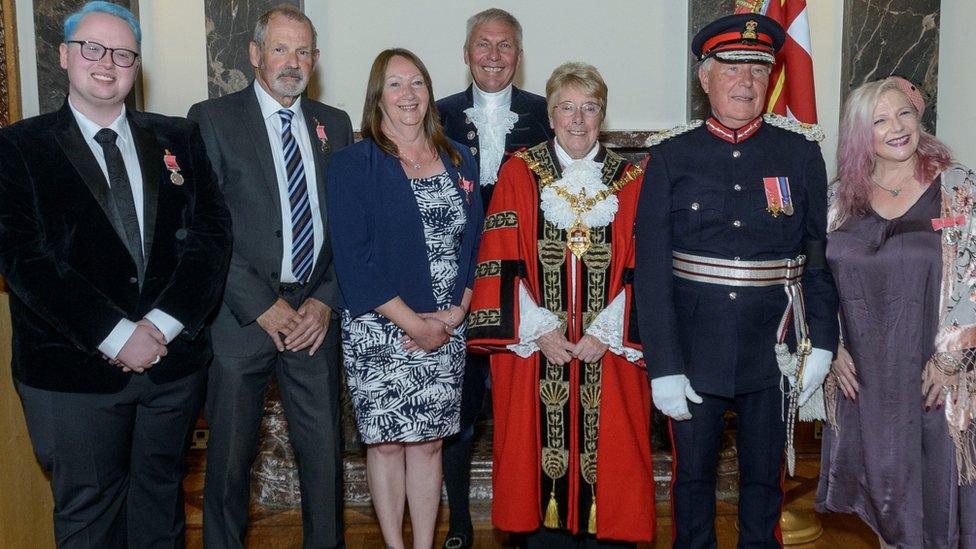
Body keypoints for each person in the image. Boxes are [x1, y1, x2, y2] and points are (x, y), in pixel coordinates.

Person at [0, 2, 232, 546]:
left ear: (136, 66)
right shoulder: (16, 147)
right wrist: (116, 333)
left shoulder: (180, 137)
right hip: (72, 377)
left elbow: (212, 238)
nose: (108, 63)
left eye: (123, 53)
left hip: (171, 369)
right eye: (93, 48)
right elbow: (23, 257)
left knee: (161, 511)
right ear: (64, 56)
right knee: (89, 520)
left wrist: (162, 325)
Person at [634, 14, 839, 547]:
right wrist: (664, 365)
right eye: (732, 67)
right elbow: (652, 271)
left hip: (774, 350)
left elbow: (817, 254)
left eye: (759, 68)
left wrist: (823, 342)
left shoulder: (799, 153)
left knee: (765, 483)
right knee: (692, 482)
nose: (747, 80)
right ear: (705, 79)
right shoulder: (671, 157)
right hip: (694, 350)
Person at [187, 6, 353, 548]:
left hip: (313, 320)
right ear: (255, 54)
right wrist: (261, 304)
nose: (292, 62)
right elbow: (202, 228)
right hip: (242, 321)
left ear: (316, 60)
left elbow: (349, 229)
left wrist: (325, 301)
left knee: (323, 461)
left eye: (303, 51)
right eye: (280, 49)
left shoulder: (336, 123)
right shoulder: (212, 120)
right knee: (230, 463)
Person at [467, 61, 653, 547]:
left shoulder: (630, 179)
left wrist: (605, 332)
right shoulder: (519, 172)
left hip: (605, 353)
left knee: (614, 457)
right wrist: (541, 331)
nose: (577, 119)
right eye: (566, 108)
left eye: (589, 109)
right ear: (549, 116)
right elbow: (500, 259)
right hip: (538, 352)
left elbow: (642, 267)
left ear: (602, 116)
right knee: (532, 457)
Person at [326, 48, 483, 549]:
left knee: (431, 445)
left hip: (447, 329)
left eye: (416, 82)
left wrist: (456, 313)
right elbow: (353, 259)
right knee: (389, 446)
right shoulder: (353, 164)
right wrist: (415, 325)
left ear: (429, 92)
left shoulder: (460, 158)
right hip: (381, 330)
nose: (408, 94)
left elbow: (476, 243)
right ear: (378, 97)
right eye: (395, 84)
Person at [815, 76, 976, 548]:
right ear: (859, 133)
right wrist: (831, 345)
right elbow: (814, 278)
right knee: (885, 497)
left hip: (936, 375)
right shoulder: (838, 197)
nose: (896, 127)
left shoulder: (958, 187)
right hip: (864, 379)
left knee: (937, 495)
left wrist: (951, 353)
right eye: (879, 120)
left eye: (903, 113)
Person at [434, 8, 553, 548]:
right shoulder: (434, 116)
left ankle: (523, 522)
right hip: (450, 288)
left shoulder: (545, 114)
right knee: (458, 411)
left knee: (519, 410)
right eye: (483, 45)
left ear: (520, 57)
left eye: (505, 46)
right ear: (465, 53)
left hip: (525, 288)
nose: (494, 56)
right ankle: (459, 522)